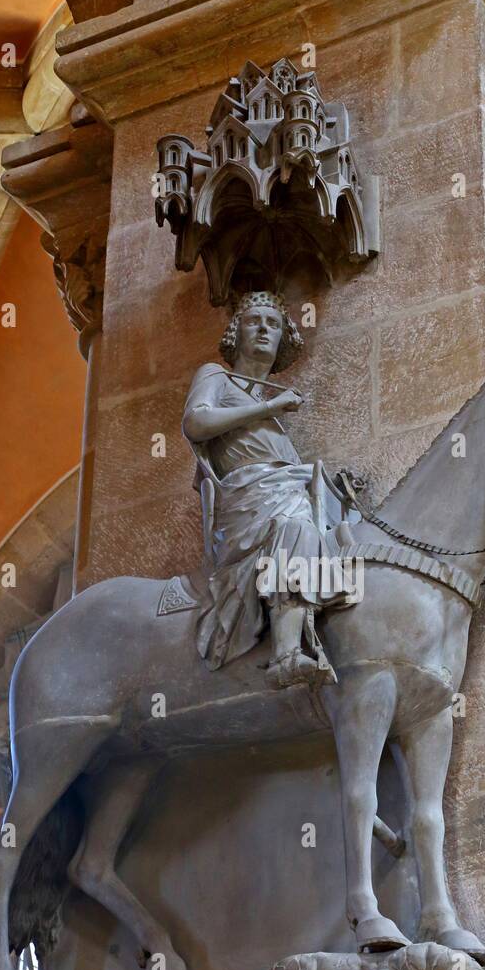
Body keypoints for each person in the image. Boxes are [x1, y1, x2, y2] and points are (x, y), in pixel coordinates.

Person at [182, 290, 356, 687]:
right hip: (247, 498)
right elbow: (196, 423)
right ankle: (285, 656)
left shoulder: (268, 411)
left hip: (280, 491)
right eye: (253, 321)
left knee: (348, 532)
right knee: (297, 527)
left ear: (282, 339)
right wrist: (269, 408)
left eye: (273, 324)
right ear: (235, 333)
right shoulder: (216, 377)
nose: (263, 329)